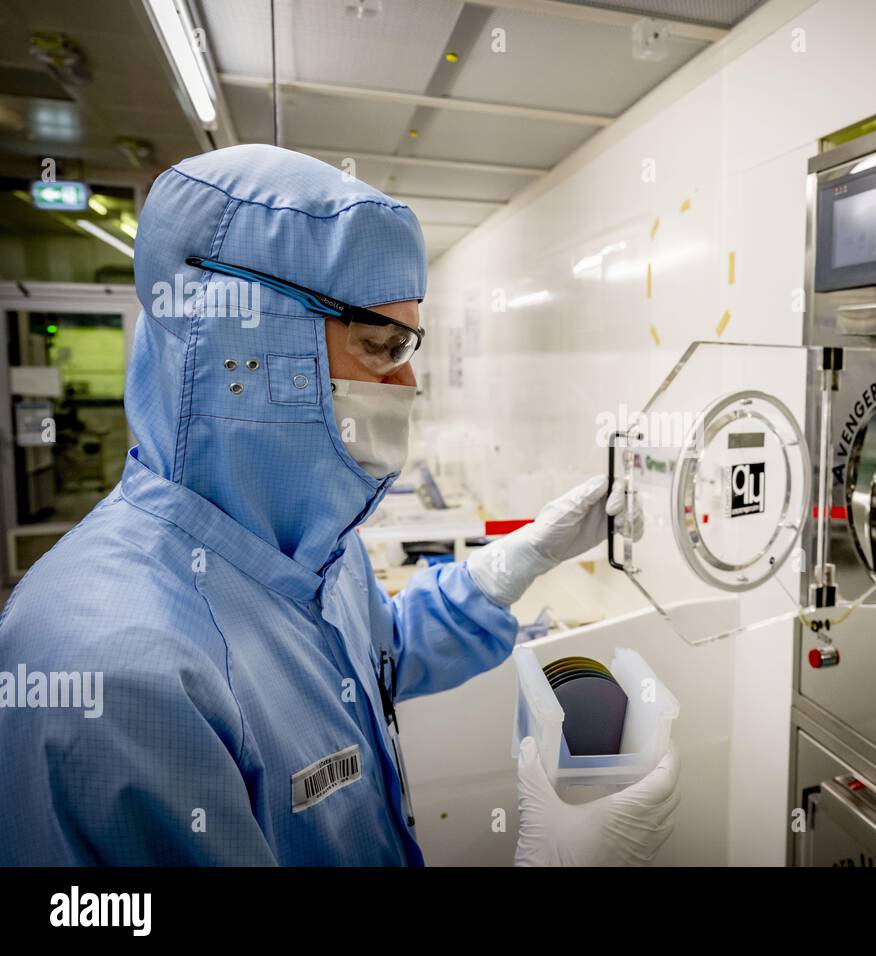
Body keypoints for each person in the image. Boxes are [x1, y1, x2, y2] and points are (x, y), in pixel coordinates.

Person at [0, 144, 678, 866]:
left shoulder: (309, 545)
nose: (409, 379)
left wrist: (515, 564)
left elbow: (371, 657)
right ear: (246, 349)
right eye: (382, 345)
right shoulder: (112, 674)